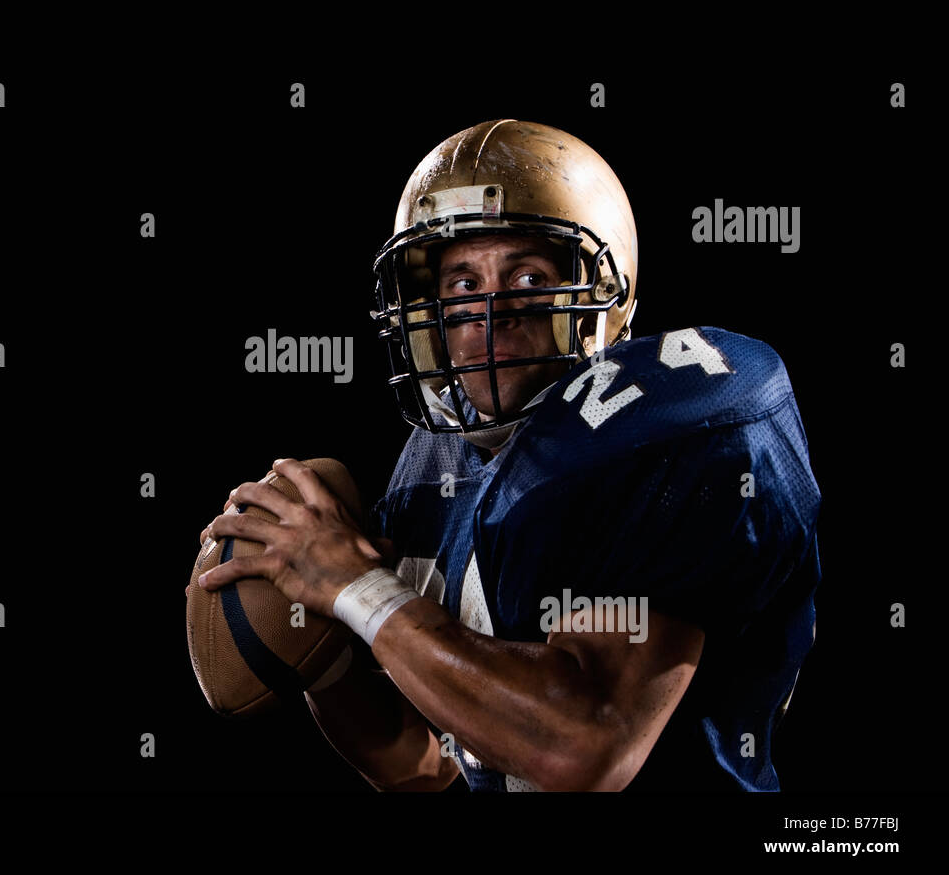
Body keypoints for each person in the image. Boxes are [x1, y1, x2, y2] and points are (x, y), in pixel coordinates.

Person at [196, 119, 821, 791]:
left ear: (599, 301)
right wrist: (327, 660)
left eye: (528, 274)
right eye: (462, 283)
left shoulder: (663, 430)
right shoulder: (431, 468)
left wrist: (356, 586)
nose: (491, 312)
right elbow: (430, 769)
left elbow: (588, 748)